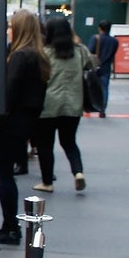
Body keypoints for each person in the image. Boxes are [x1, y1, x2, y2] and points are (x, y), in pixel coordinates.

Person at [0, 10, 48, 245]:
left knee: (4, 174)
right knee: (6, 172)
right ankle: (10, 225)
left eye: (12, 26)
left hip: (12, 122)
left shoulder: (19, 57)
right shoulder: (38, 56)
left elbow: (8, 95)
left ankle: (10, 226)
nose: (8, 30)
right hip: (26, 122)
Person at [34, 16, 95, 194]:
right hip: (73, 104)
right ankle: (78, 173)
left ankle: (47, 182)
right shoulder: (81, 51)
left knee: (45, 145)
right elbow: (90, 66)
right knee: (69, 142)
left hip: (48, 106)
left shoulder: (43, 53)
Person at [89, 21, 119, 117]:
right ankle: (102, 108)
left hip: (95, 66)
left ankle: (91, 106)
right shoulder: (115, 41)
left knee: (92, 87)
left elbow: (90, 51)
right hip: (106, 66)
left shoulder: (96, 38)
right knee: (104, 88)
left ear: (100, 28)